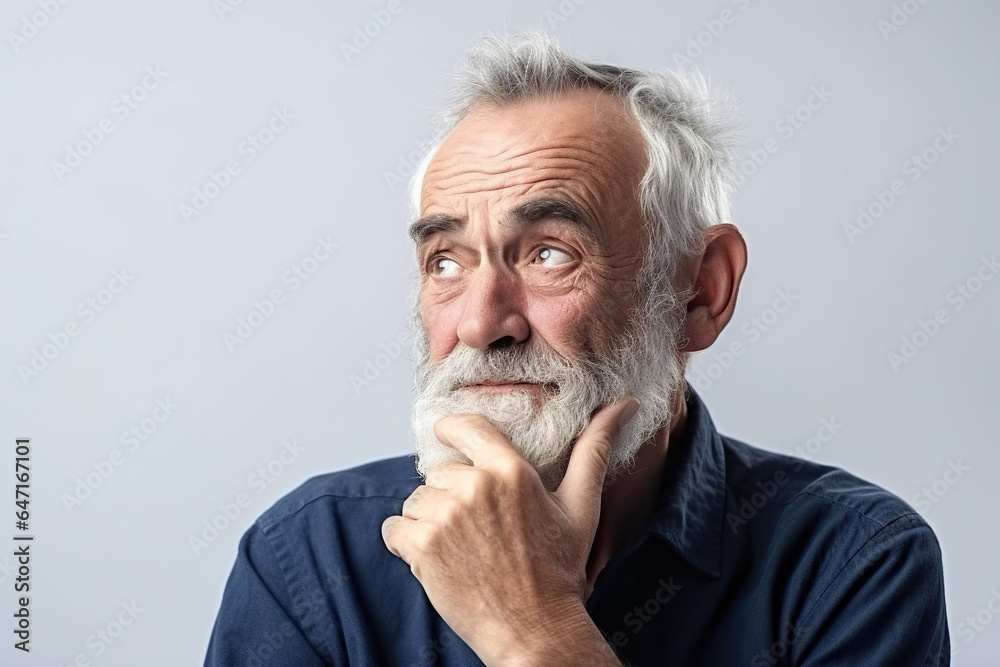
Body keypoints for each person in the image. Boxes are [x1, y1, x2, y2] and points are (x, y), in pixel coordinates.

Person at [204, 30, 950, 666]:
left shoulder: (855, 564)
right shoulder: (309, 559)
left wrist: (539, 630)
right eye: (447, 261)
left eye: (549, 254)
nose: (479, 323)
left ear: (700, 293)